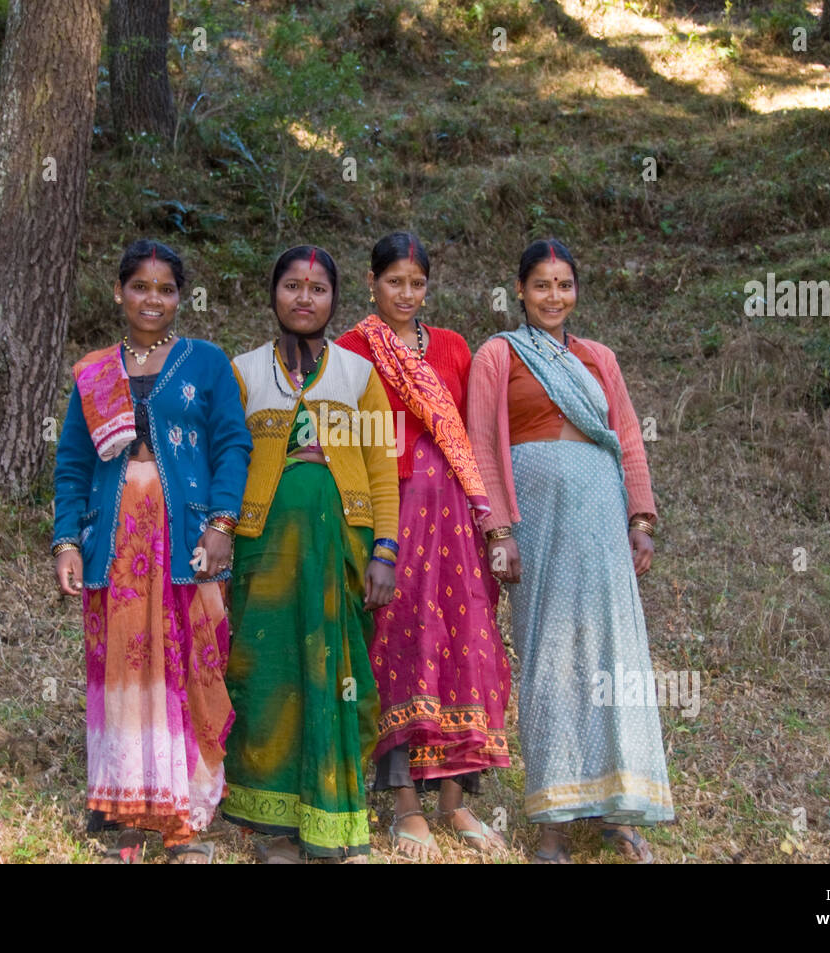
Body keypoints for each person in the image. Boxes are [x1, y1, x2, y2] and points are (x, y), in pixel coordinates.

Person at [467, 238, 673, 864]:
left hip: (601, 517)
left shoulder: (599, 357)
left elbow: (627, 438)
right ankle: (554, 819)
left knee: (615, 647)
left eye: (564, 285)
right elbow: (479, 442)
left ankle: (620, 807)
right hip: (537, 521)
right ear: (520, 292)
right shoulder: (498, 355)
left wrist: (640, 517)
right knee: (549, 654)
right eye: (541, 286)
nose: (553, 297)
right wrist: (499, 531)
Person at [52, 239, 252, 864]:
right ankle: (128, 804)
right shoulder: (94, 371)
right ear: (119, 292)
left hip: (182, 539)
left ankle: (184, 817)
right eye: (140, 286)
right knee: (124, 669)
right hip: (113, 542)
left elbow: (232, 445)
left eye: (166, 289)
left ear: (180, 297)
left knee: (187, 661)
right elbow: (72, 463)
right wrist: (66, 539)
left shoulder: (206, 363)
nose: (153, 299)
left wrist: (222, 523)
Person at [335, 232, 511, 861]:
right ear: (371, 282)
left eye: (416, 284)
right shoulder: (353, 349)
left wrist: (495, 523)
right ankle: (405, 804)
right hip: (394, 516)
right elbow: (348, 445)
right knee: (401, 645)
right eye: (394, 282)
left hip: (457, 522)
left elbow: (474, 438)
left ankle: (455, 802)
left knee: (466, 646)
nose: (405, 295)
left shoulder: (455, 349)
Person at [221, 245, 399, 862]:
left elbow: (382, 469)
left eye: (317, 288)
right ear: (272, 294)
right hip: (264, 552)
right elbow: (227, 461)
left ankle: (336, 819)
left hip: (340, 554)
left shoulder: (358, 375)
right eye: (292, 286)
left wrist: (385, 549)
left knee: (339, 677)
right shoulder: (242, 373)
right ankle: (271, 827)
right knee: (268, 674)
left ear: (334, 300)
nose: (304, 298)